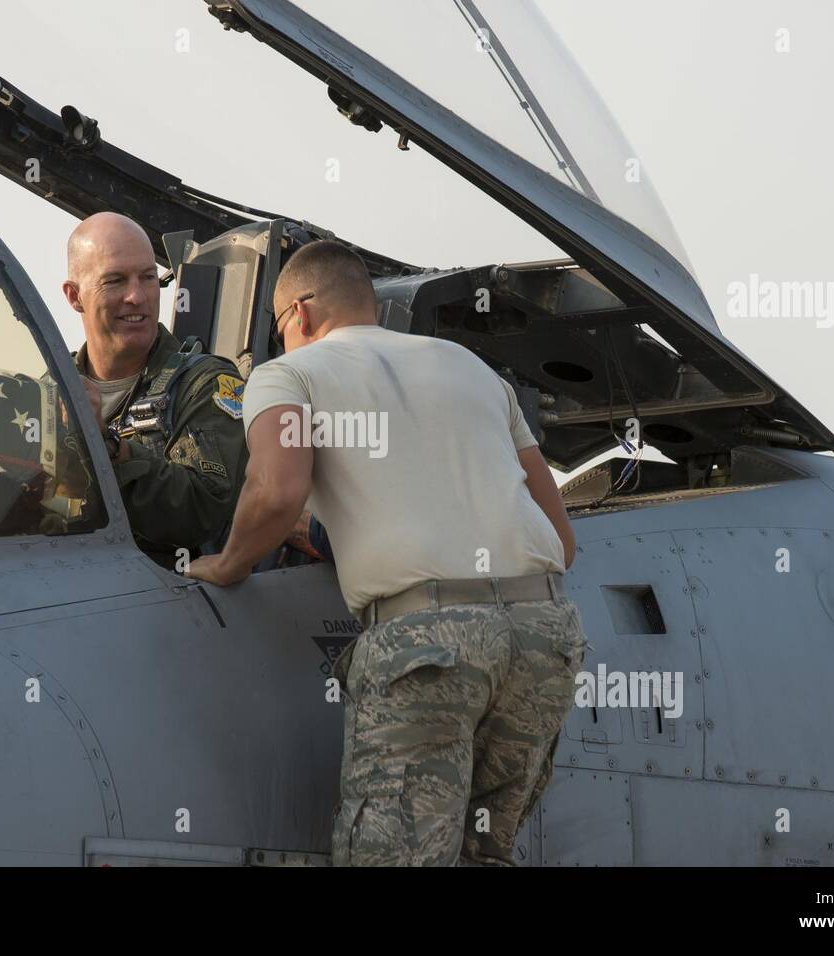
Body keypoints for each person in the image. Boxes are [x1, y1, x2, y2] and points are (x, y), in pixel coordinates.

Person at [187, 239, 586, 866]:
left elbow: (277, 492)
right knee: (483, 853)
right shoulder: (472, 369)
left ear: (301, 313)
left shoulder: (287, 374)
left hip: (426, 644)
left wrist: (227, 562)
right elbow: (560, 540)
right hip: (544, 637)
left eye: (278, 325)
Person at [62, 212, 248, 568]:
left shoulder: (203, 384)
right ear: (74, 296)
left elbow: (202, 512)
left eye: (148, 278)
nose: (137, 296)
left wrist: (110, 448)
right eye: (115, 281)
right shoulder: (52, 391)